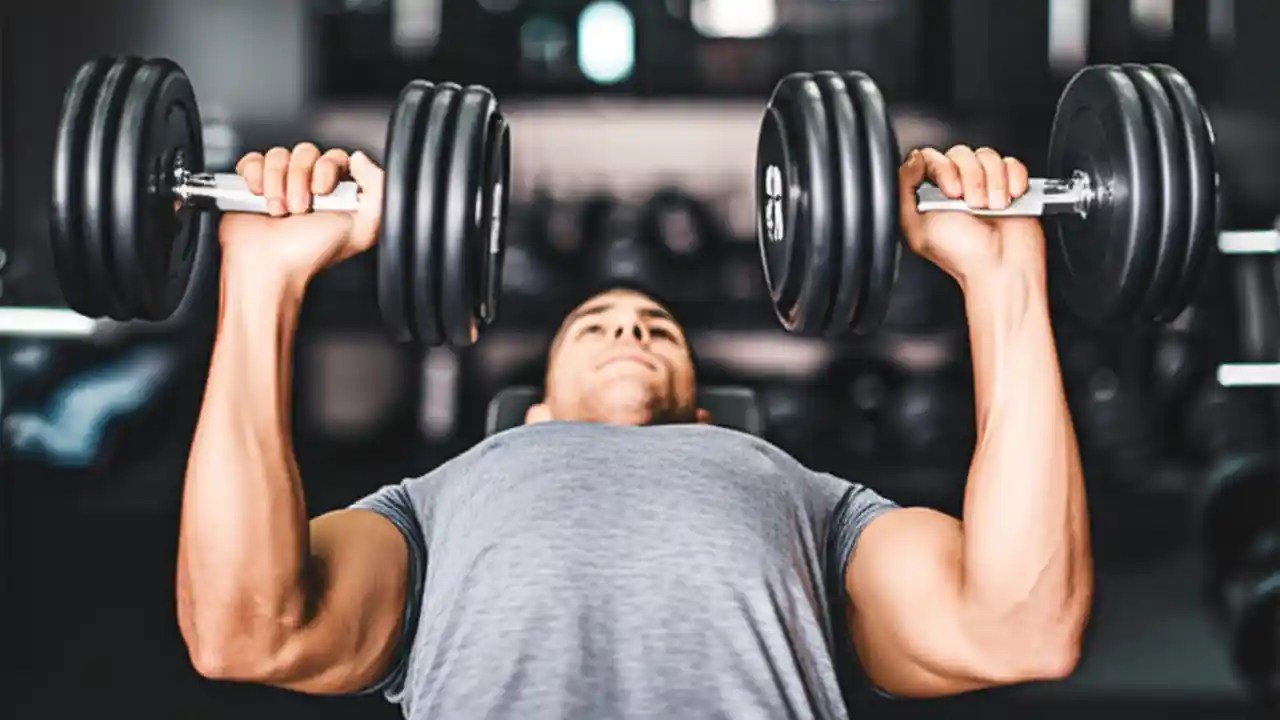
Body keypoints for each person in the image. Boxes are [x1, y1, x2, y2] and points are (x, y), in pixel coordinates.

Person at [176, 142, 1093, 718]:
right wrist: (262, 284)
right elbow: (244, 634)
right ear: (529, 414)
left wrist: (1004, 278)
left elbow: (1019, 631)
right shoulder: (434, 501)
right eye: (596, 326)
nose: (629, 328)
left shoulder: (808, 498)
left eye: (659, 329)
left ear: (703, 409)